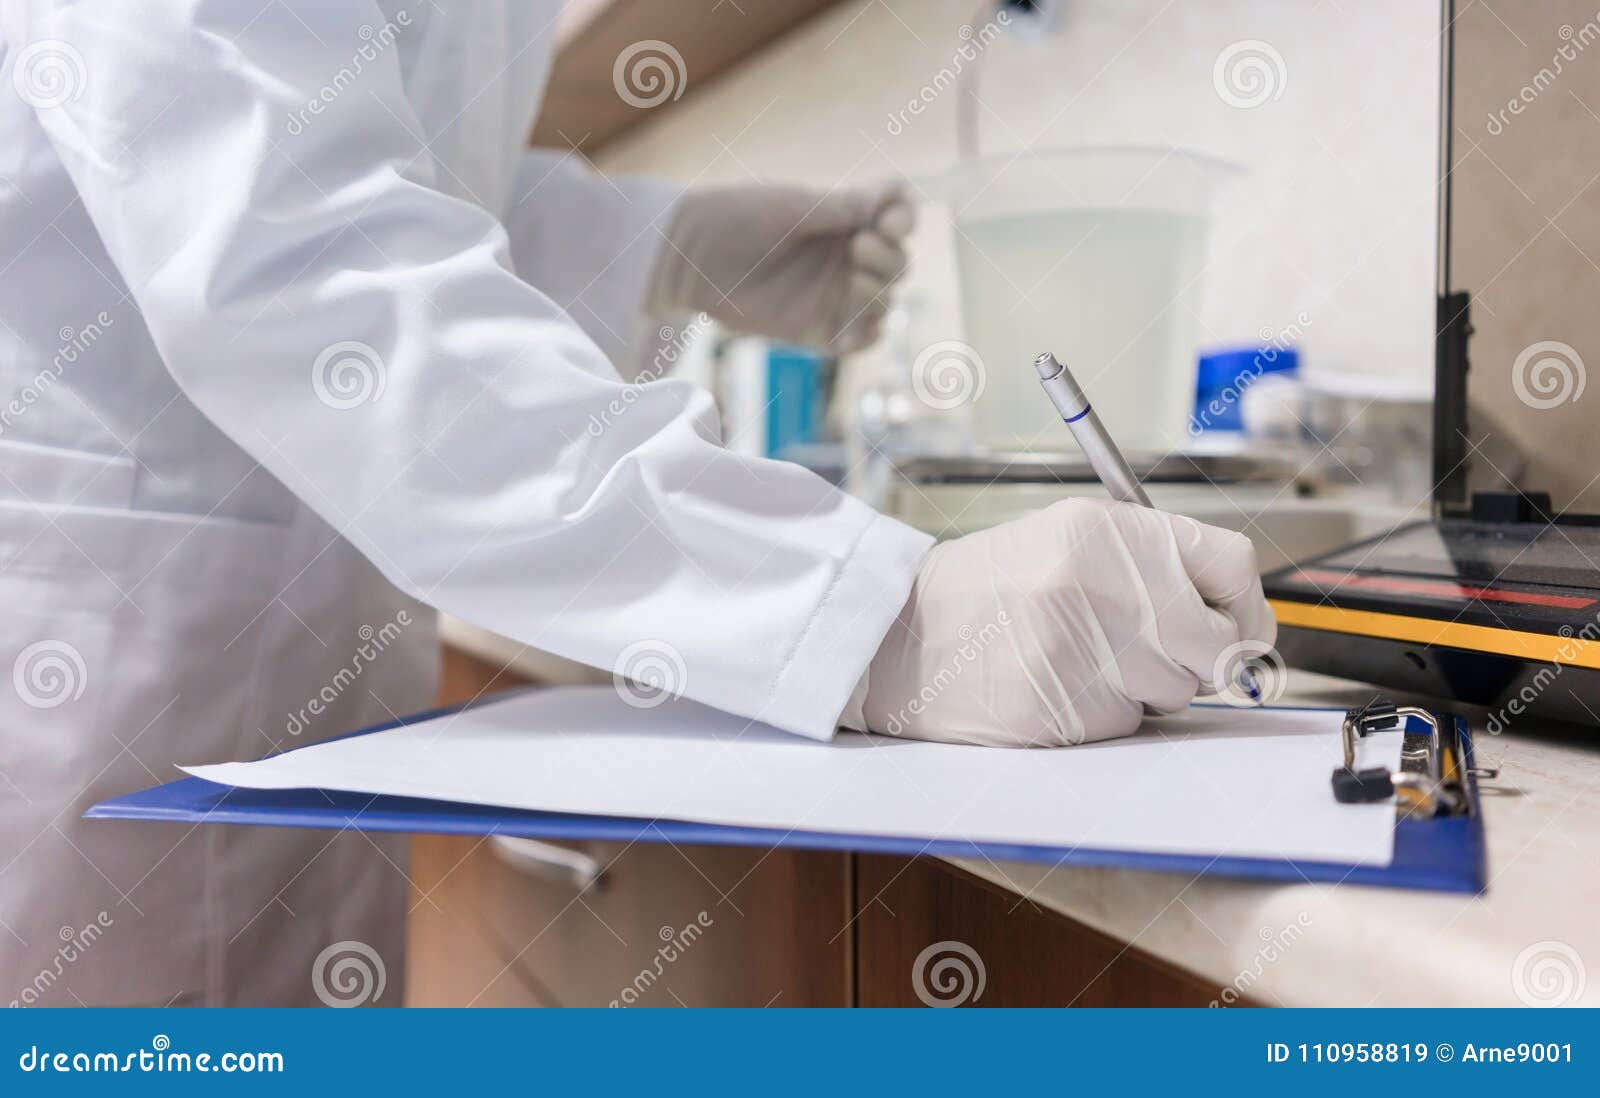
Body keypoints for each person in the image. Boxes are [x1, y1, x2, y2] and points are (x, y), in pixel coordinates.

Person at [0, 1, 1273, 1007]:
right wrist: (876, 618)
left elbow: (376, 162)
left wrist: (656, 239)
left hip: (283, 620)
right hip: (99, 631)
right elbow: (297, 257)